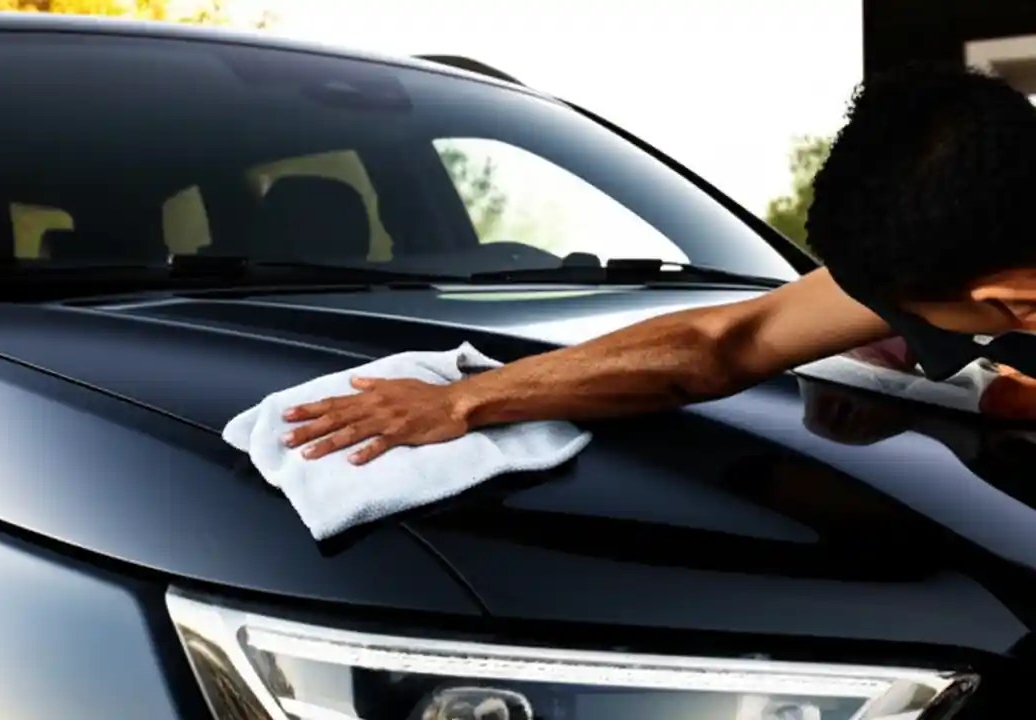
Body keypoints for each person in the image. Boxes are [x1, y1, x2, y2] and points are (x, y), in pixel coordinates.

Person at [282, 62, 1036, 465]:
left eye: (932, 324)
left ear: (1013, 306)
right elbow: (723, 342)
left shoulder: (987, 255)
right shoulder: (983, 228)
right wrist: (463, 400)